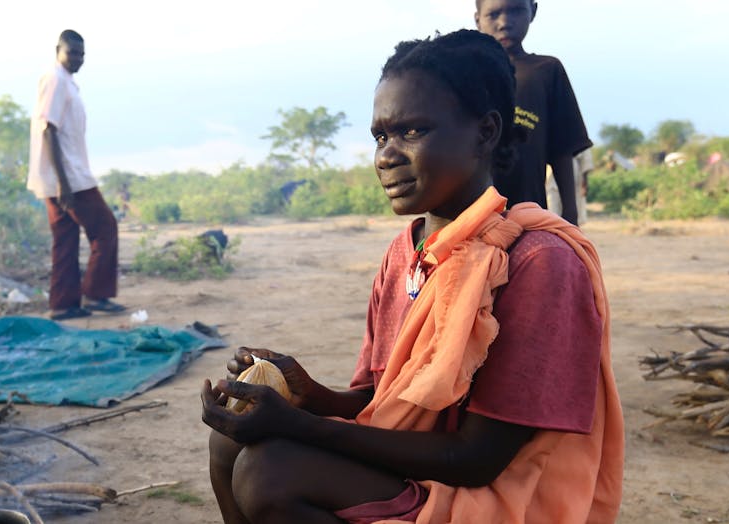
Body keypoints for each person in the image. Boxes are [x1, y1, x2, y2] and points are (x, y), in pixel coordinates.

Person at [201, 29, 623, 523]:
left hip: (501, 496)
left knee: (269, 471)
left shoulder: (538, 262)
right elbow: (376, 401)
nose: (387, 155)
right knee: (230, 443)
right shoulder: (407, 251)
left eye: (412, 132)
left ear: (486, 132)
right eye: (380, 136)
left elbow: (477, 459)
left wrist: (299, 425)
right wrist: (307, 392)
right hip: (418, 470)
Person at [28, 29, 125, 320]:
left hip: (59, 177)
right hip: (68, 178)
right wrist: (63, 183)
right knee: (105, 229)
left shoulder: (66, 82)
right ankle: (95, 294)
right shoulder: (56, 80)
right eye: (72, 53)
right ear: (58, 50)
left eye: (82, 54)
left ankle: (64, 303)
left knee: (66, 238)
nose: (78, 59)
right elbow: (48, 130)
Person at [475, 0, 592, 225]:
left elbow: (562, 151)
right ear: (478, 19)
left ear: (533, 11)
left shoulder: (547, 71)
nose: (505, 23)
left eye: (516, 11)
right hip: (473, 216)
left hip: (529, 214)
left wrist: (570, 216)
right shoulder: (465, 74)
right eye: (494, 14)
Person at [546, 148, 595, 224]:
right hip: (549, 171)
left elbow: (586, 156)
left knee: (570, 209)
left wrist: (585, 181)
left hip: (571, 169)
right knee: (551, 207)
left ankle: (570, 232)